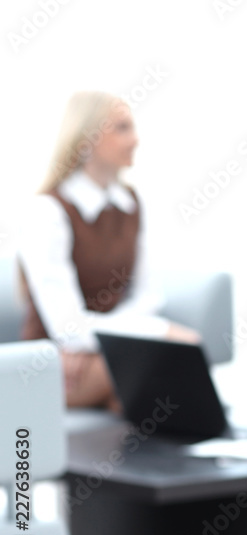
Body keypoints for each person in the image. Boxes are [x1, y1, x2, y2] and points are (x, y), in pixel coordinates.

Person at [17, 91, 197, 409]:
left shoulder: (132, 204)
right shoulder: (48, 211)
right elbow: (67, 328)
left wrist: (108, 344)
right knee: (161, 368)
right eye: (122, 128)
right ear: (86, 138)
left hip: (96, 353)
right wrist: (150, 334)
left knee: (150, 383)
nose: (135, 139)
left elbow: (149, 297)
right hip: (53, 360)